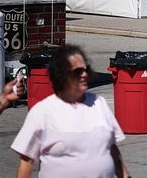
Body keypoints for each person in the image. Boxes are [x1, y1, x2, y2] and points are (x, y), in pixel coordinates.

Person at [12, 44, 130, 178]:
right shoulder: (43, 111)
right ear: (61, 75)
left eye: (86, 69)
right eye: (78, 71)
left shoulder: (99, 103)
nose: (84, 74)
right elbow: (26, 161)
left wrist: (126, 176)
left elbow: (112, 149)